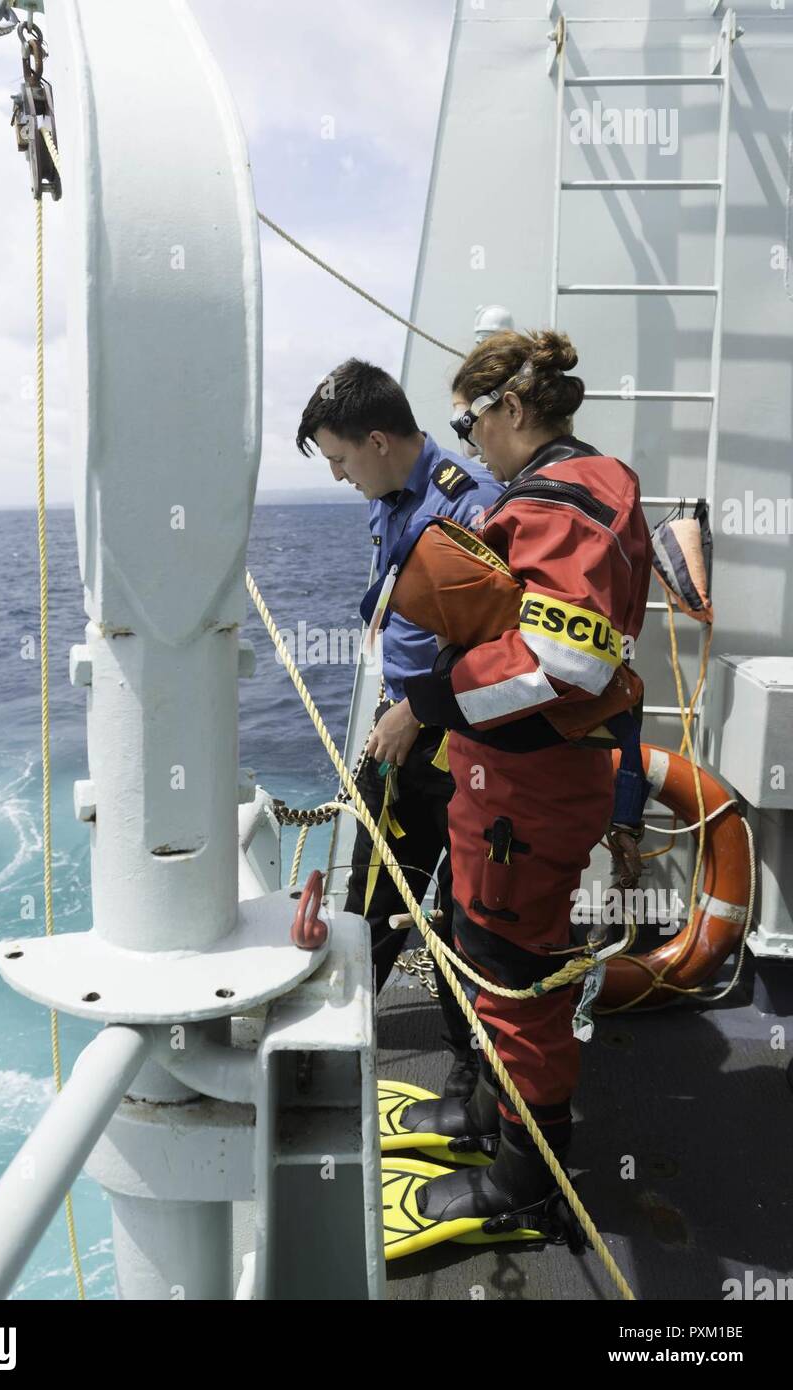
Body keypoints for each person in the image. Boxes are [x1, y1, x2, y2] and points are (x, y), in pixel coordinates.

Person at [395, 328, 652, 1226]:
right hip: (500, 788)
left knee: (516, 984)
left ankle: (527, 1179)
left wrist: (432, 696)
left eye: (470, 425)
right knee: (474, 949)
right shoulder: (587, 489)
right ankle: (482, 1114)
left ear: (511, 407)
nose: (470, 446)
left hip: (527, 794)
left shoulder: (563, 502)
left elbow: (560, 662)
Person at [296, 358, 503, 1095]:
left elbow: (503, 643)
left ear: (379, 441)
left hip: (448, 738)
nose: (338, 476)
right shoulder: (391, 497)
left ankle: (476, 1078)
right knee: (378, 892)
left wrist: (414, 712)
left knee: (459, 914)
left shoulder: (471, 504)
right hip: (405, 729)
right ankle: (341, 1038)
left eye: (341, 458)